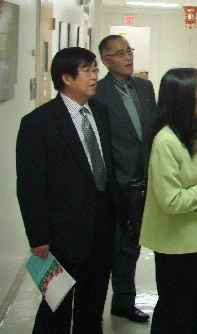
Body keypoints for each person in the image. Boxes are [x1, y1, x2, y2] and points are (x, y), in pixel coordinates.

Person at [16, 47, 128, 333]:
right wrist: (38, 235)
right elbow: (30, 185)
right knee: (57, 304)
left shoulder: (100, 113)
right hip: (62, 232)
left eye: (95, 70)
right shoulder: (38, 123)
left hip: (102, 227)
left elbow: (106, 166)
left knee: (93, 304)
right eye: (88, 71)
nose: (95, 77)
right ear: (66, 77)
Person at [139, 68, 197, 333]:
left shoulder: (190, 133)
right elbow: (171, 200)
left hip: (193, 236)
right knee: (176, 313)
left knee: (193, 309)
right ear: (182, 97)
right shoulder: (166, 141)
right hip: (175, 242)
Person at [93, 35, 155, 323]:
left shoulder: (144, 87)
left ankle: (124, 302)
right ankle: (95, 305)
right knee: (113, 244)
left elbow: (151, 132)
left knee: (133, 242)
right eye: (119, 53)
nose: (128, 56)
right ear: (105, 61)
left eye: (129, 50)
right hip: (113, 182)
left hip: (144, 178)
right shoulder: (98, 93)